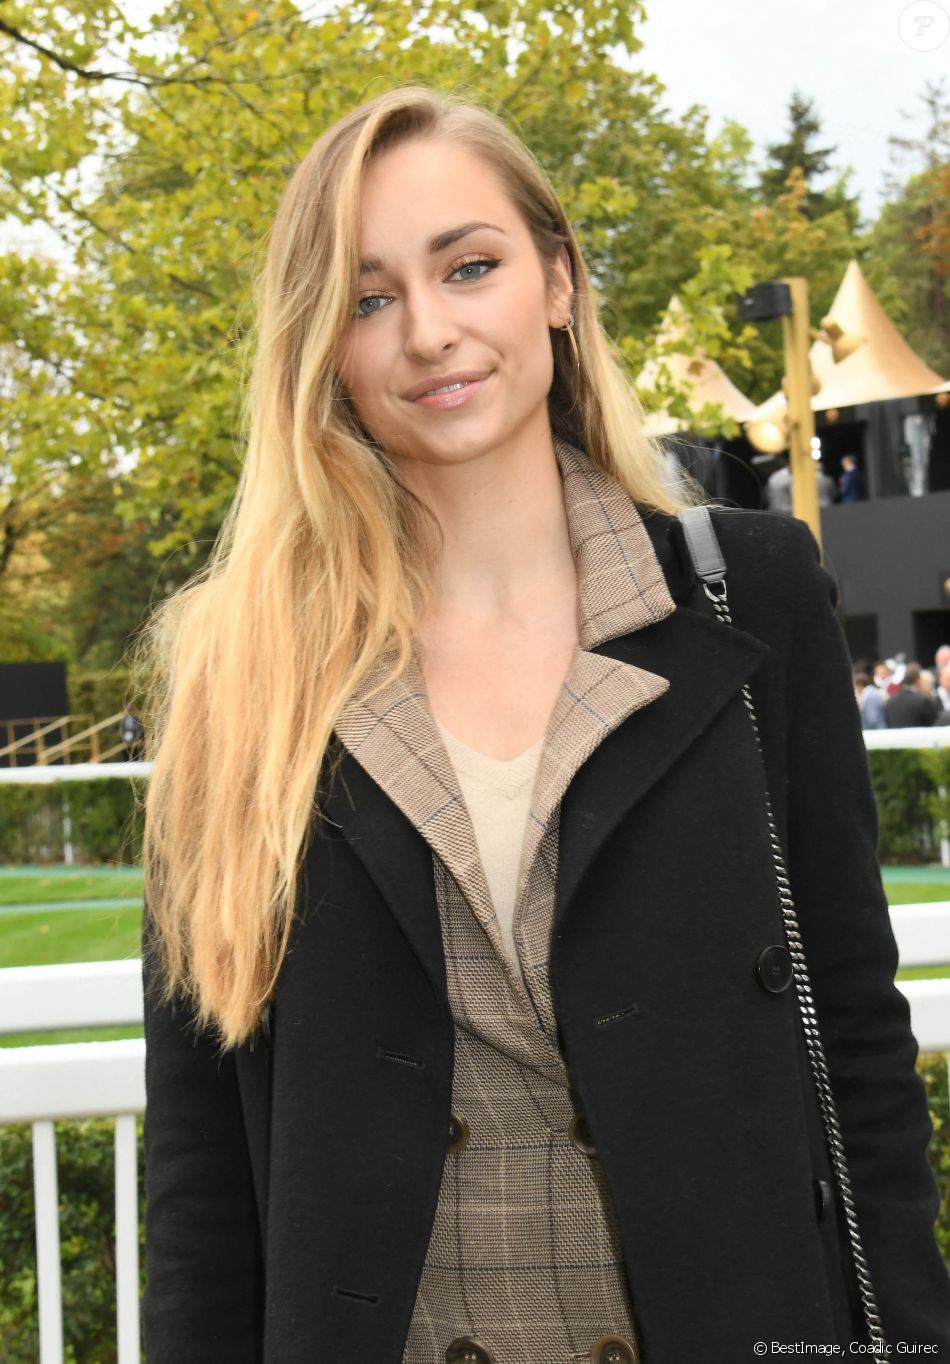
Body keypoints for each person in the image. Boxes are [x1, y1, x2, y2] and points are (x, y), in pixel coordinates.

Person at [134, 85, 950, 1364]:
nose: (429, 332)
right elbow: (199, 1142)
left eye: (470, 265)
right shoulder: (239, 666)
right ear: (322, 347)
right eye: (367, 297)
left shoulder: (747, 587)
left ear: (559, 282)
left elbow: (852, 1025)